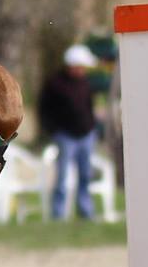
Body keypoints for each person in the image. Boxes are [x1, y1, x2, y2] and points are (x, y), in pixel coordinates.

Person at [37, 44, 101, 220]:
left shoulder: (85, 83)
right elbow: (44, 110)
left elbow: (89, 106)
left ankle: (86, 212)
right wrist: (53, 131)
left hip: (87, 134)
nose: (82, 70)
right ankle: (58, 214)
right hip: (65, 136)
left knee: (86, 175)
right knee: (63, 177)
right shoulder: (55, 83)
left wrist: (93, 126)